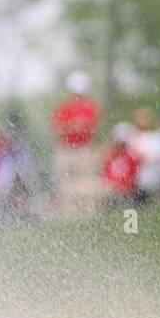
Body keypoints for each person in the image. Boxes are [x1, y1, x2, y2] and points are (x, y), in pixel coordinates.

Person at [49, 71, 101, 218]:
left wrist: (71, 126)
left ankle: (88, 212)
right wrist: (74, 125)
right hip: (66, 149)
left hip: (84, 149)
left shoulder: (90, 107)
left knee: (86, 180)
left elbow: (88, 126)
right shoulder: (64, 107)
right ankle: (68, 214)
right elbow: (57, 128)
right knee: (65, 182)